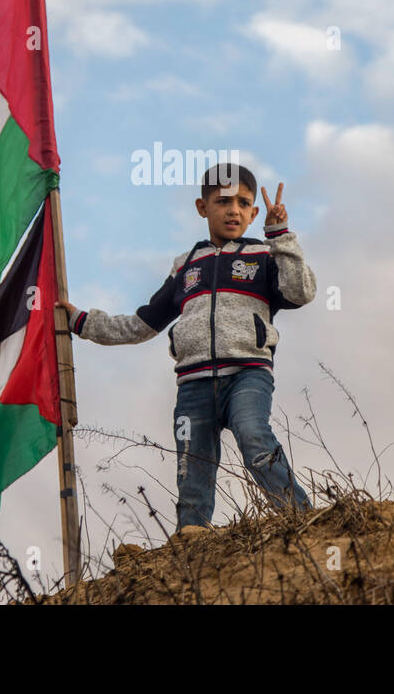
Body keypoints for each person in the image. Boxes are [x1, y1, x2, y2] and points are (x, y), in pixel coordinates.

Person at [58, 162, 316, 533]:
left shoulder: (263, 257)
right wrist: (82, 322)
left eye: (244, 203)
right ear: (202, 207)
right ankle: (192, 536)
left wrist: (281, 236)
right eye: (223, 201)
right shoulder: (186, 267)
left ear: (254, 213)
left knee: (253, 434)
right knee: (191, 462)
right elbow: (143, 323)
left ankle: (301, 516)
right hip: (193, 384)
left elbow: (300, 292)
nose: (234, 210)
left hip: (248, 374)